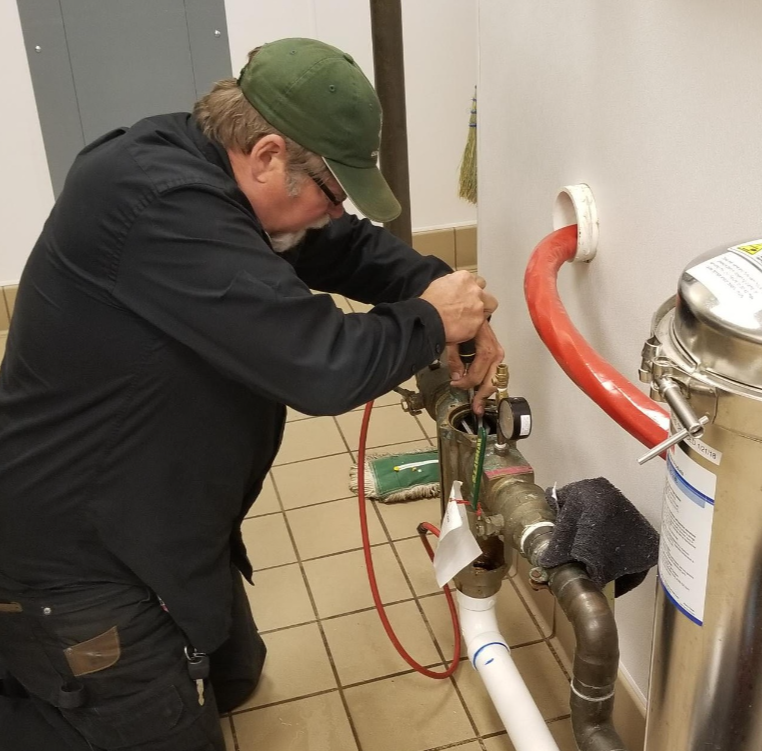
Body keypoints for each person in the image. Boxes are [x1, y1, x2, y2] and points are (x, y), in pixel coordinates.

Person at [0, 37, 503, 750]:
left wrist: (435, 286)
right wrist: (430, 320)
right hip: (78, 555)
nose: (337, 213)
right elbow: (321, 365)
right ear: (268, 155)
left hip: (162, 515)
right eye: (333, 193)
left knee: (235, 677)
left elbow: (342, 247)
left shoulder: (211, 168)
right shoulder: (161, 206)